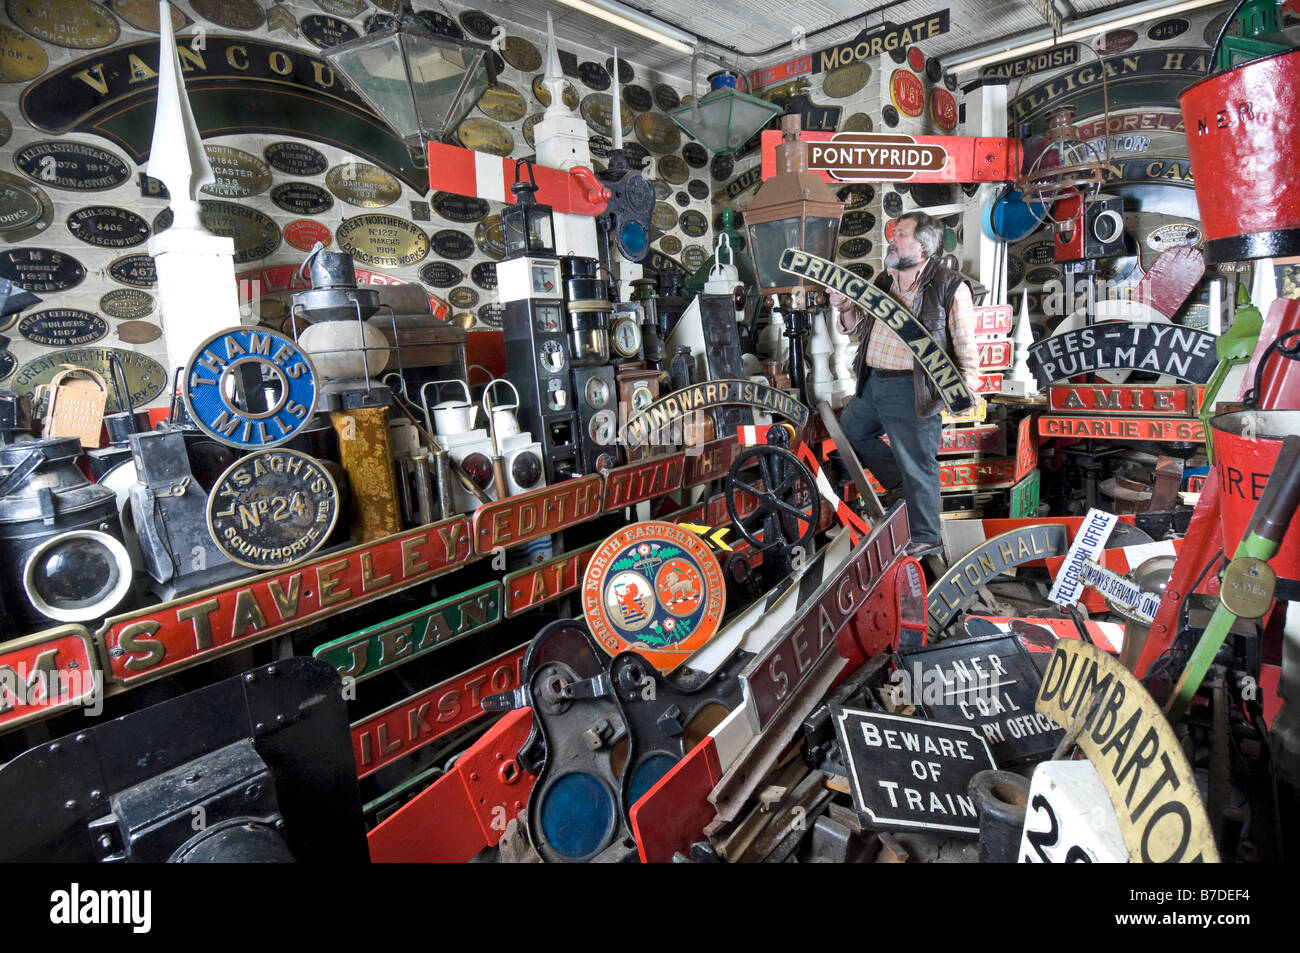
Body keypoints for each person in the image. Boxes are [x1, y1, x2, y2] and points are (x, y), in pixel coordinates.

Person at [828, 211, 982, 557]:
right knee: (852, 433)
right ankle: (900, 485)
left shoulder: (949, 288)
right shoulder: (884, 281)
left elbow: (967, 351)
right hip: (872, 382)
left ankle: (927, 536)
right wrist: (844, 307)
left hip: (912, 389)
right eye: (893, 234)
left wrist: (960, 393)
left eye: (900, 235)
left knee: (918, 462)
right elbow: (856, 329)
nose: (892, 240)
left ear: (923, 245)